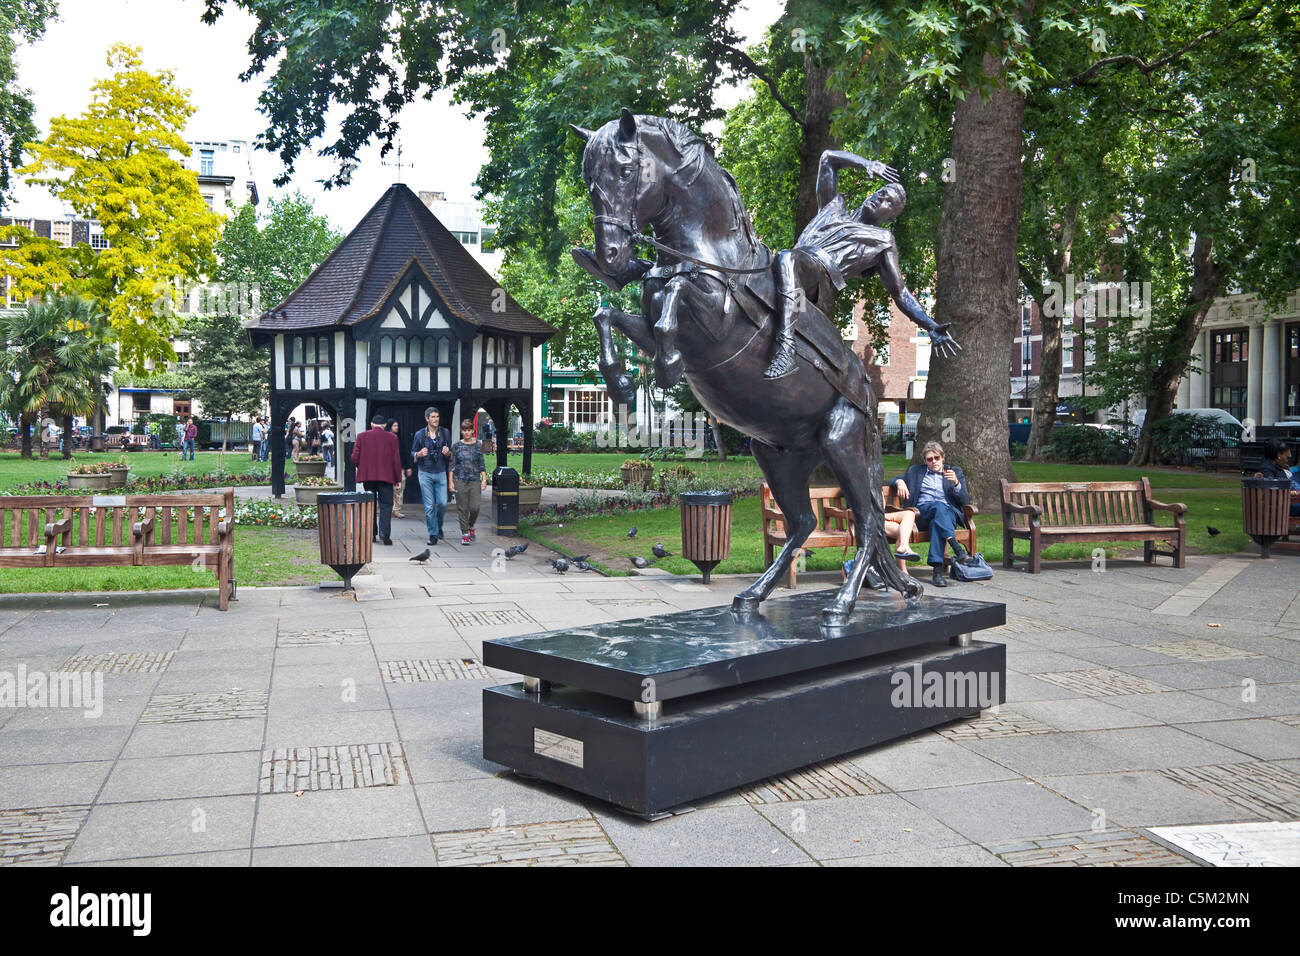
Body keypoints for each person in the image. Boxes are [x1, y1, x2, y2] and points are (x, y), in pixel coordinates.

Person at [765, 150, 960, 378]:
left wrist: (930, 326)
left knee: (787, 257)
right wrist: (869, 163)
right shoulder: (833, 207)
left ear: (890, 217)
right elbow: (827, 158)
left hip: (817, 282)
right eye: (882, 191)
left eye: (890, 201)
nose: (881, 197)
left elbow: (900, 291)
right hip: (793, 270)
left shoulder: (882, 241)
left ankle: (787, 348)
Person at [890, 441, 971, 588]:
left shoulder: (955, 472)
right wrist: (900, 482)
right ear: (925, 461)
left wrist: (956, 484)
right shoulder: (916, 471)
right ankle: (955, 547)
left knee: (937, 520)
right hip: (921, 514)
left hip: (947, 515)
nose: (933, 462)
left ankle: (937, 572)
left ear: (942, 458)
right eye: (929, 459)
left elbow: (965, 500)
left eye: (936, 458)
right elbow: (893, 480)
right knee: (937, 508)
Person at [350, 414, 401, 545]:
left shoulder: (361, 436)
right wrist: (397, 479)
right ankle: (384, 534)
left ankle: (371, 534)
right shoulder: (392, 438)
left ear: (372, 424)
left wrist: (363, 467)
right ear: (385, 425)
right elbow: (396, 460)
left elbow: (354, 458)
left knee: (369, 504)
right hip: (386, 477)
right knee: (386, 505)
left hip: (368, 477)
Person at [411, 407, 452, 545]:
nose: (436, 419)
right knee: (429, 507)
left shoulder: (445, 433)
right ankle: (433, 534)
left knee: (442, 504)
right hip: (425, 473)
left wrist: (448, 453)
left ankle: (438, 526)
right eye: (433, 417)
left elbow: (451, 455)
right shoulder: (420, 435)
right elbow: (412, 452)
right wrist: (418, 454)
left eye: (437, 416)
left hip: (441, 472)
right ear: (427, 419)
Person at [448, 418, 488, 545]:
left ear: (473, 431)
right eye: (464, 430)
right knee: (462, 508)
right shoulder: (456, 446)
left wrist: (484, 479)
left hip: (474, 480)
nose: (466, 433)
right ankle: (465, 533)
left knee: (475, 507)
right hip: (460, 479)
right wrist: (451, 481)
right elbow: (452, 465)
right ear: (461, 431)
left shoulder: (478, 445)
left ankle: (471, 525)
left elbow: (481, 463)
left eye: (469, 430)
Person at [1254, 438, 1300, 517]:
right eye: (1286, 457)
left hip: (1287, 503)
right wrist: (1293, 493)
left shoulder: (1277, 467)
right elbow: (1272, 489)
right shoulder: (1267, 469)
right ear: (1279, 455)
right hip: (1282, 506)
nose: (1287, 460)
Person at [388, 419, 411, 519]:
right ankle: (389, 508)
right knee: (389, 489)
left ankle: (396, 509)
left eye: (397, 425)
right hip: (388, 468)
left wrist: (408, 466)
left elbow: (404, 453)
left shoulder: (399, 438)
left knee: (400, 488)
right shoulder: (386, 438)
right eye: (394, 426)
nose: (397, 427)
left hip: (399, 467)